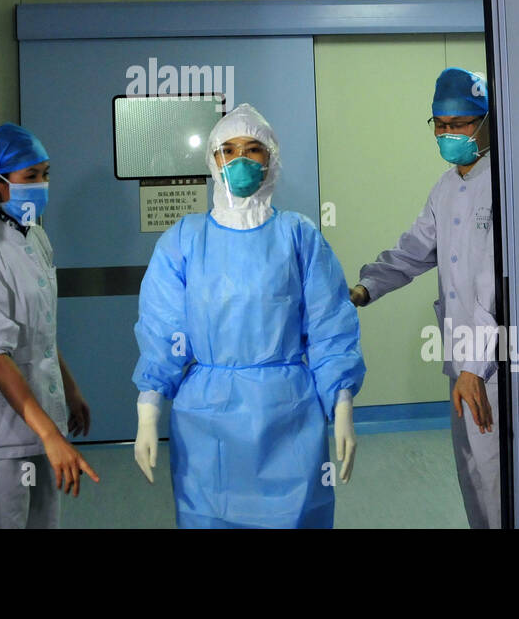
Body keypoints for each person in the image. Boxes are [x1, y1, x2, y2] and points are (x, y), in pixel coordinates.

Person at [132, 103, 365, 528]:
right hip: (205, 422)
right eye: (228, 150)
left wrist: (342, 403)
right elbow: (162, 329)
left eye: (253, 149)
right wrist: (149, 407)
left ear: (269, 159)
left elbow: (330, 325)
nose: (239, 160)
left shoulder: (298, 235)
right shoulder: (183, 240)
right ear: (213, 161)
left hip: (288, 415)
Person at [350, 67, 500, 528]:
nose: (448, 134)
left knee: (496, 475)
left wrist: (475, 366)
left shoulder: (506, 184)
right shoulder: (445, 187)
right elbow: (415, 250)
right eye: (440, 124)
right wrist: (364, 288)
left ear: (487, 122)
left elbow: (497, 286)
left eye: (459, 124)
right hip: (460, 362)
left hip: (494, 366)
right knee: (471, 473)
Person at [0, 122, 98, 529]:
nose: (41, 185)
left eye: (45, 174)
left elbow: (40, 331)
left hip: (37, 425)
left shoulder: (35, 238)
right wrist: (50, 435)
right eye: (30, 176)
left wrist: (70, 388)